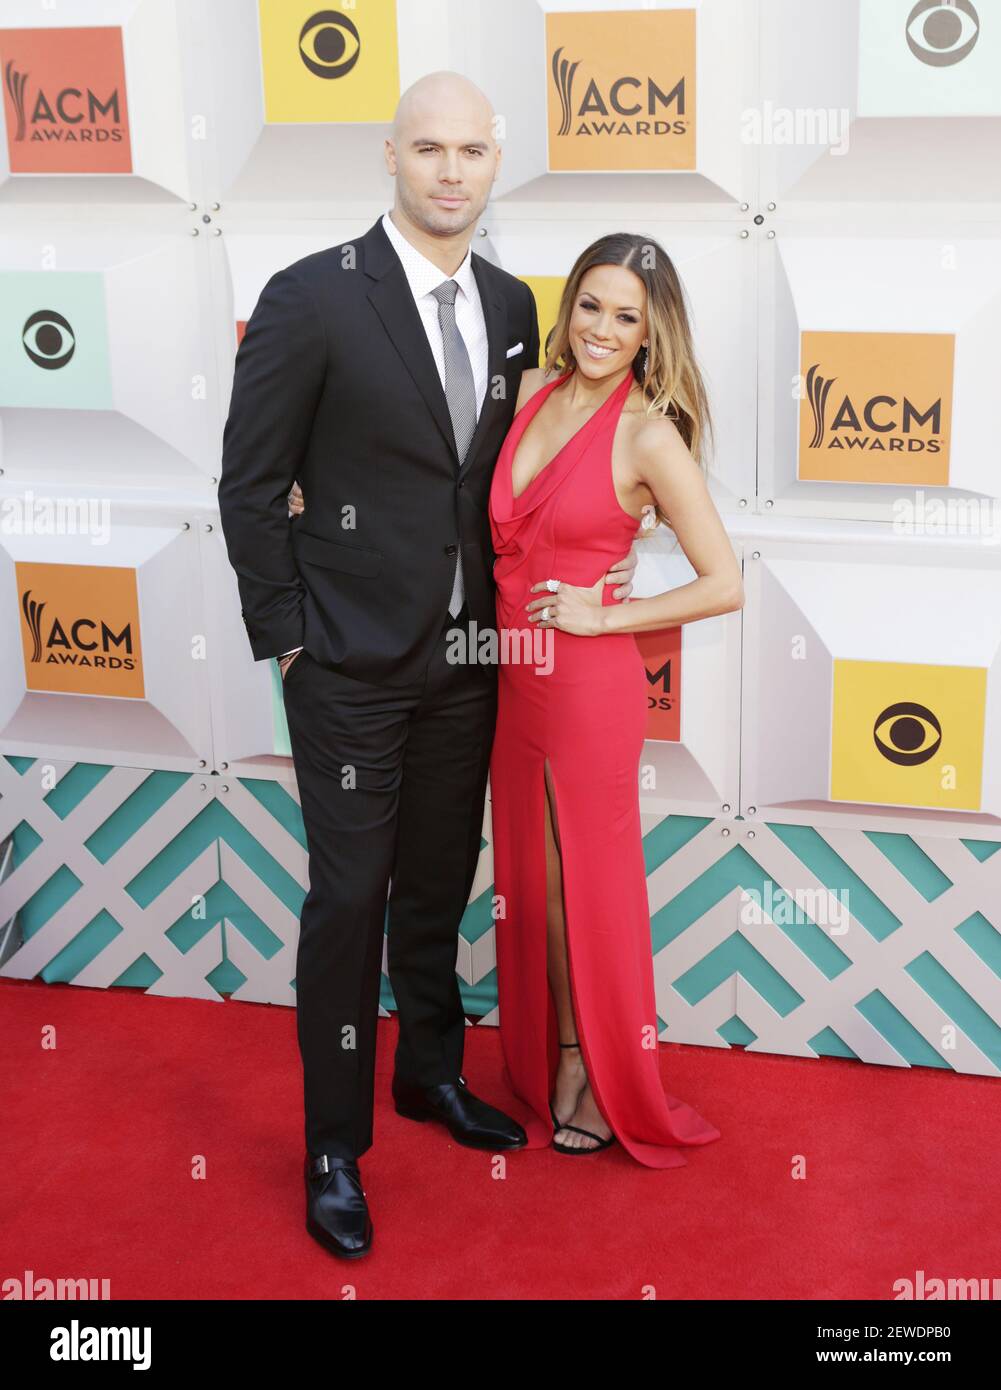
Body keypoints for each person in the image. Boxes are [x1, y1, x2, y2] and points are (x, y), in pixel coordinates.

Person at [217, 71, 638, 1260]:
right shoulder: (310, 299)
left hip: (470, 659)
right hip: (344, 664)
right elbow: (248, 486)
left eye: (470, 151)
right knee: (347, 899)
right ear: (388, 155)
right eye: (428, 149)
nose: (450, 170)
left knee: (439, 881)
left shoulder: (515, 305)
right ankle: (332, 1145)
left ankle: (432, 1077)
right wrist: (289, 638)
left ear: (495, 160)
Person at [487, 234, 742, 1163]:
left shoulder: (647, 434)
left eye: (625, 316)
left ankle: (597, 1073)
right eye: (589, 305)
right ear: (567, 308)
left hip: (587, 690)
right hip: (511, 677)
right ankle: (552, 1051)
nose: (601, 329)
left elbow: (723, 582)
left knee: (588, 889)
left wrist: (601, 618)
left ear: (650, 333)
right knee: (535, 883)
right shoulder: (528, 395)